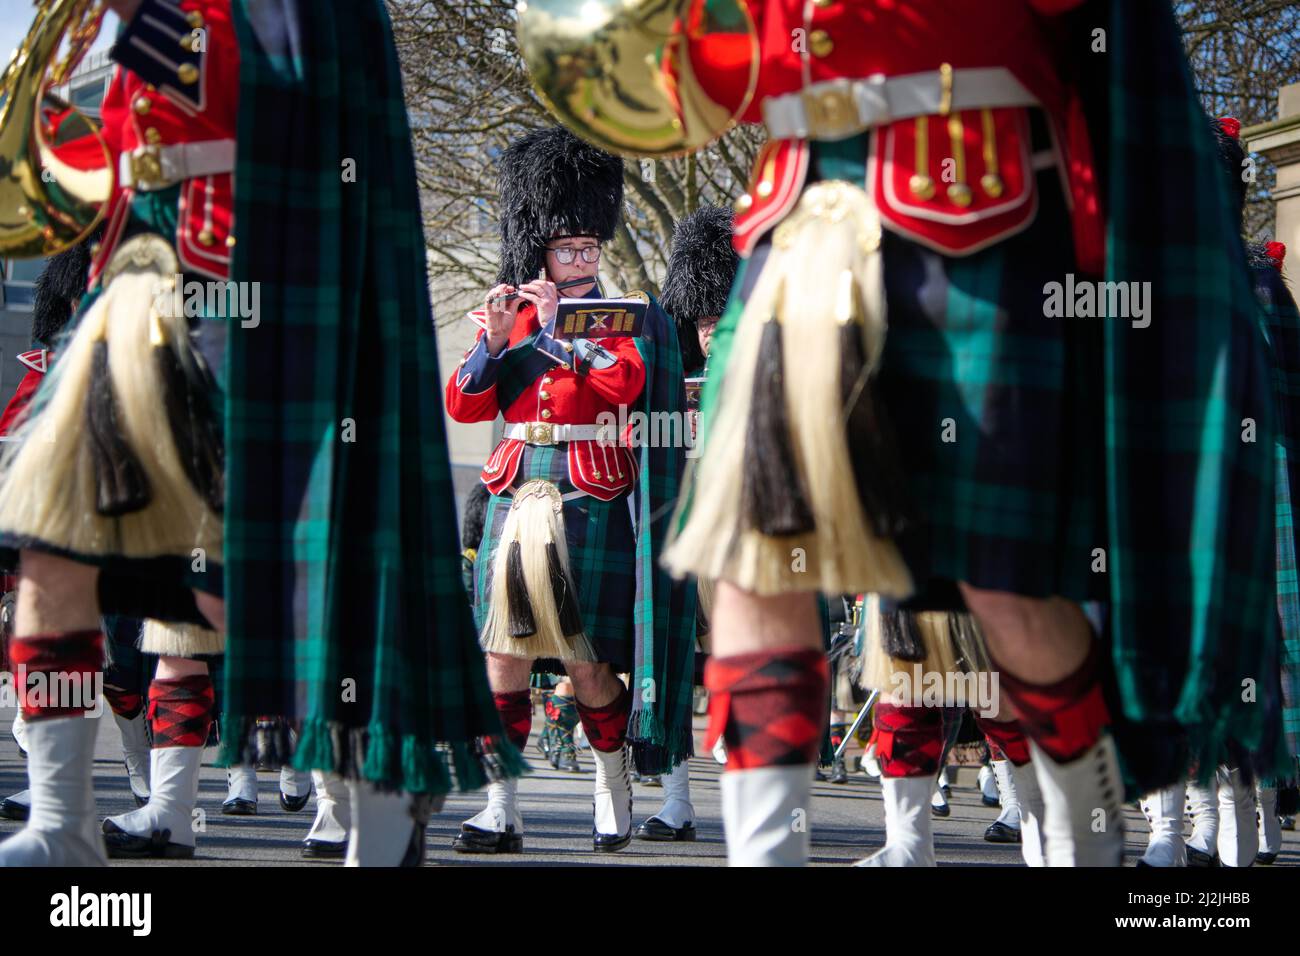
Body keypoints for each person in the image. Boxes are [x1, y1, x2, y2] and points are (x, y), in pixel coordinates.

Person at [650, 0, 1286, 865]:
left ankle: (1085, 848)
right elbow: (712, 72)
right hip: (794, 218)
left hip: (979, 205)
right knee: (753, 565)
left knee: (1010, 589)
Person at [445, 126, 695, 854]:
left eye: (590, 247)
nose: (583, 259)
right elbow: (464, 405)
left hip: (589, 492)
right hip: (517, 483)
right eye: (569, 249)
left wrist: (559, 334)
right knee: (502, 656)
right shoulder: (509, 314)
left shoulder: (625, 315)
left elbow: (625, 384)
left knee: (587, 663)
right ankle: (501, 808)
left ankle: (611, 788)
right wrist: (496, 343)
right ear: (542, 250)